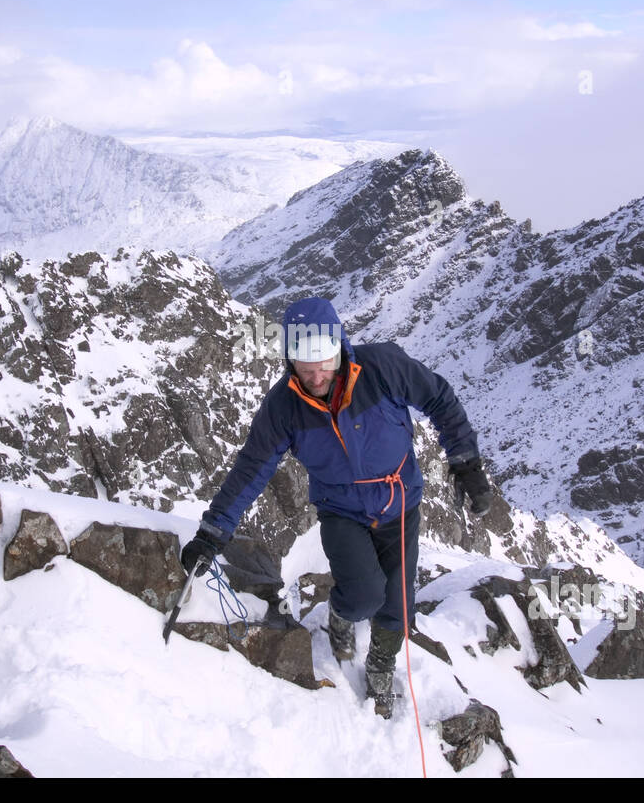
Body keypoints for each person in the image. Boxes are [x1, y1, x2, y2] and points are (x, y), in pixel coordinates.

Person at [181, 296, 492, 718]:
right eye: (304, 369)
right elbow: (251, 469)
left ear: (340, 348)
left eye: (323, 364)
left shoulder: (381, 368)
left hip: (400, 502)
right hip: (341, 510)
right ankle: (342, 616)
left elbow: (439, 398)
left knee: (399, 604)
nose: (316, 377)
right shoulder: (283, 408)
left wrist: (466, 462)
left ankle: (380, 663)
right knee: (364, 595)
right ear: (290, 363)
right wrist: (212, 534)